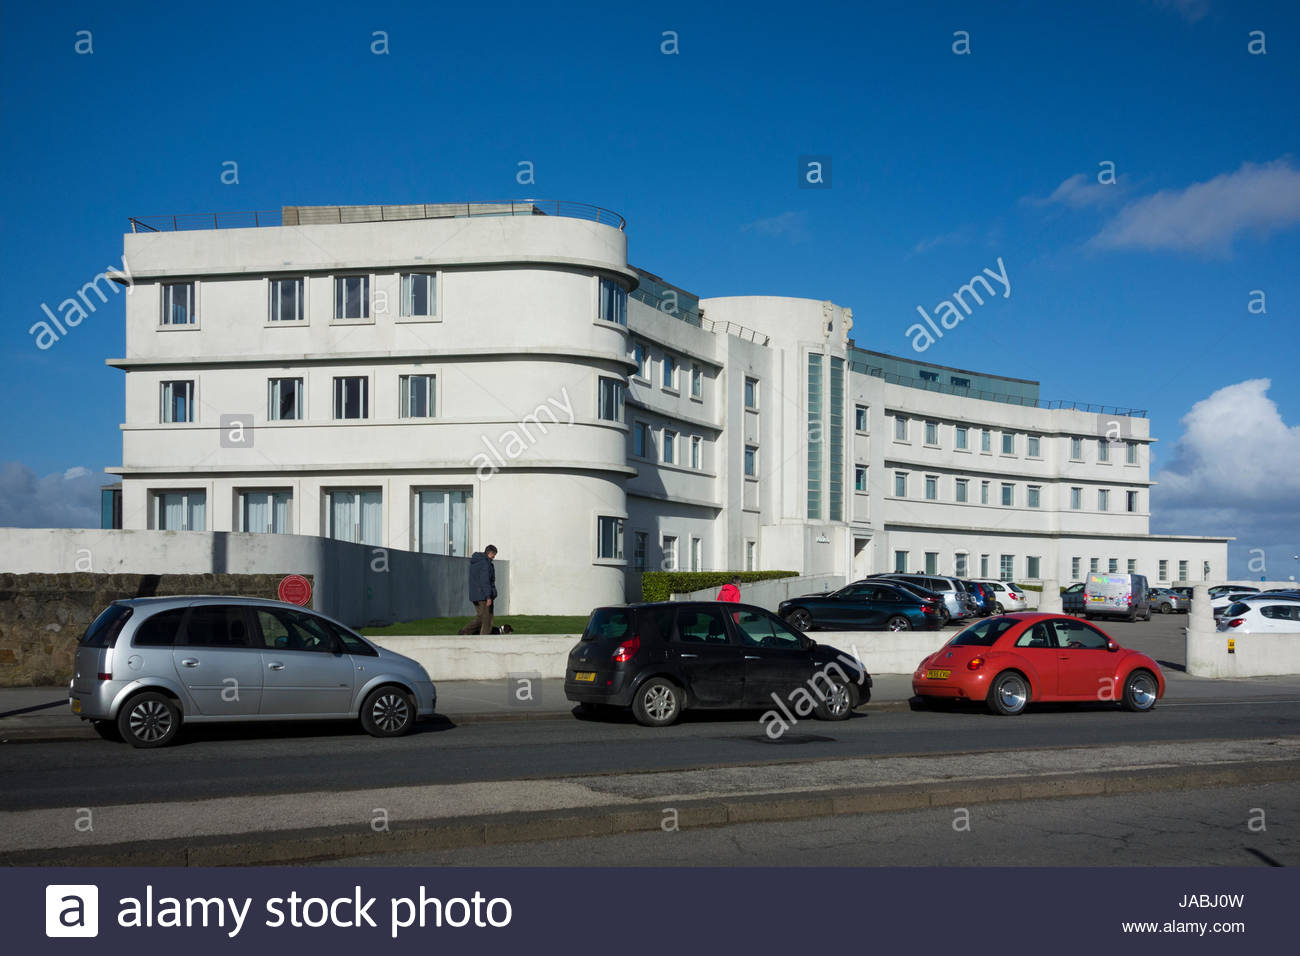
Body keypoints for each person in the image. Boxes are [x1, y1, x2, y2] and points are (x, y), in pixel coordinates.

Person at [458, 545, 498, 635]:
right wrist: (488, 596)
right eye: (494, 555)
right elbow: (485, 581)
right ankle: (481, 638)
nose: (494, 557)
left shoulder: (476, 562)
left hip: (476, 594)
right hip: (483, 595)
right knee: (487, 619)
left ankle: (465, 632)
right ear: (490, 553)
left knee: (481, 617)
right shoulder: (485, 563)